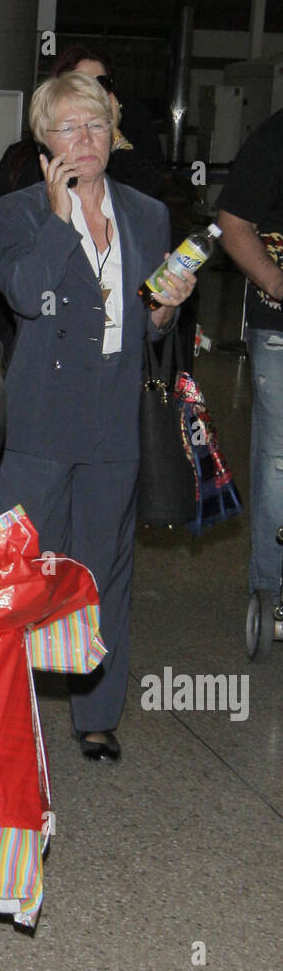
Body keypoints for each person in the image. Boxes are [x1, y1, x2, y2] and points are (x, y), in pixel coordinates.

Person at [0, 73, 196, 762]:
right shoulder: (18, 212)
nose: (86, 140)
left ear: (114, 134)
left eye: (97, 126)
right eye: (69, 128)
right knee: (18, 569)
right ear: (43, 141)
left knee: (104, 568)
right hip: (42, 417)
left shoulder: (145, 213)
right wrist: (58, 221)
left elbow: (148, 320)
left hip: (115, 416)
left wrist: (165, 308)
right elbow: (22, 294)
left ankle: (96, 715)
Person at [0, 45, 165, 356]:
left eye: (100, 85)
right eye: (78, 83)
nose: (88, 93)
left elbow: (154, 194)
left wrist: (165, 308)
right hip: (39, 349)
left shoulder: (127, 169)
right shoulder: (23, 168)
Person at [217, 112, 283, 603]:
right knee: (279, 459)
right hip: (281, 330)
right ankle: (272, 584)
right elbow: (233, 223)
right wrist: (276, 281)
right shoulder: (275, 135)